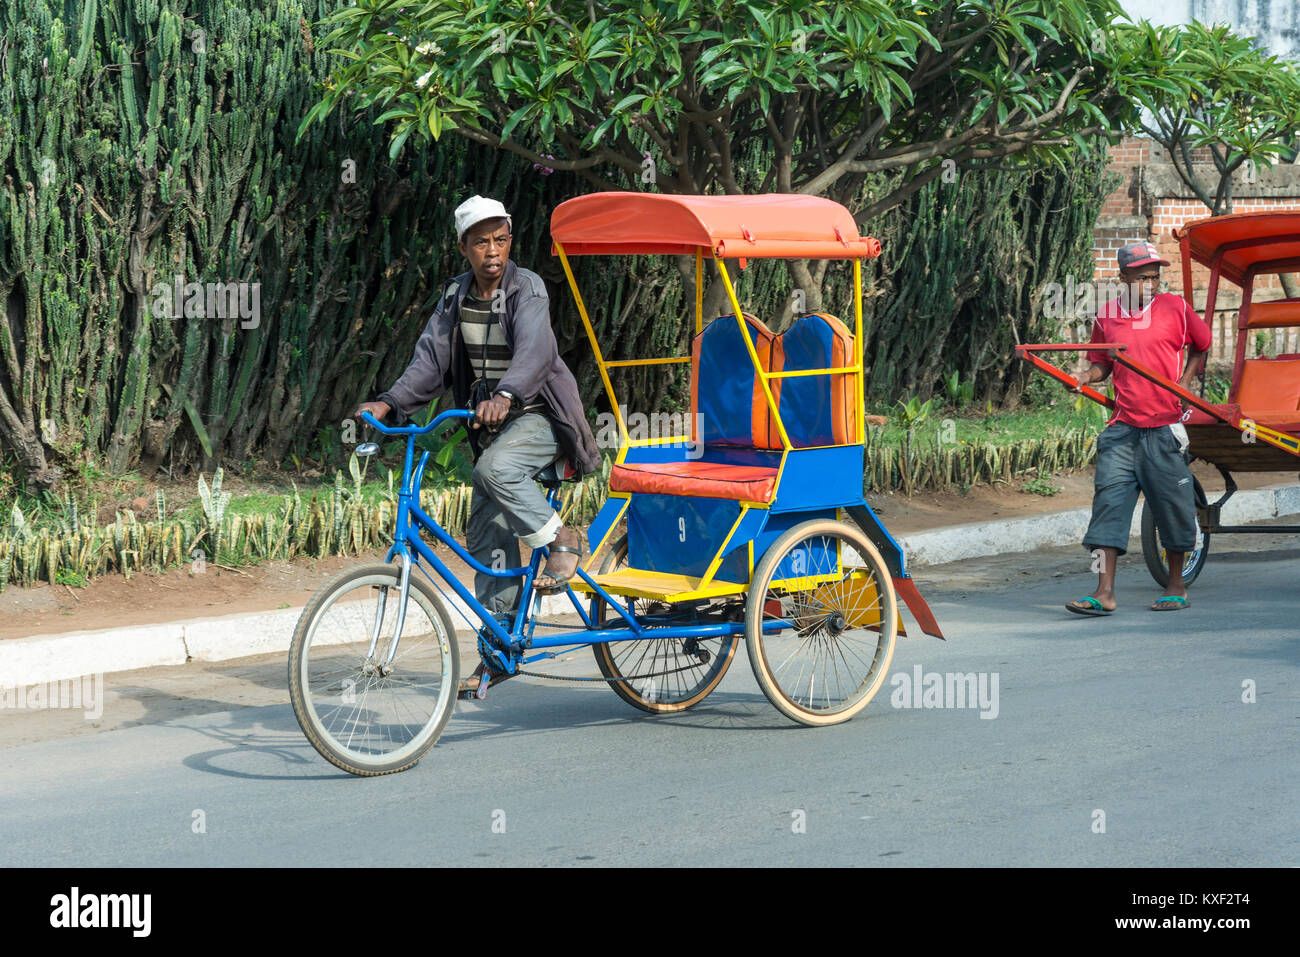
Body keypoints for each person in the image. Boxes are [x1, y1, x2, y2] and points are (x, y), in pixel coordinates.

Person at [354, 195, 601, 686]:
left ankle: (562, 538)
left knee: (493, 470)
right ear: (463, 247)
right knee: (488, 539)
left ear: (510, 241)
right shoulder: (454, 299)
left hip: (539, 418)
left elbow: (534, 351)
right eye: (481, 241)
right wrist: (388, 403)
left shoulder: (527, 289)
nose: (493, 250)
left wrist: (507, 393)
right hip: (493, 428)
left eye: (501, 239)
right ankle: (499, 650)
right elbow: (430, 362)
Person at [1066, 240, 1212, 616]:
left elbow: (1203, 344)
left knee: (1173, 507)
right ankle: (1104, 592)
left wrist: (1184, 382)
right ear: (1123, 277)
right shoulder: (1107, 316)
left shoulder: (1176, 308)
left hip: (1164, 428)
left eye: (1156, 276)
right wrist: (1084, 376)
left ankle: (1176, 585)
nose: (1152, 283)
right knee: (1108, 507)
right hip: (1122, 430)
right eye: (1143, 277)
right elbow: (1102, 364)